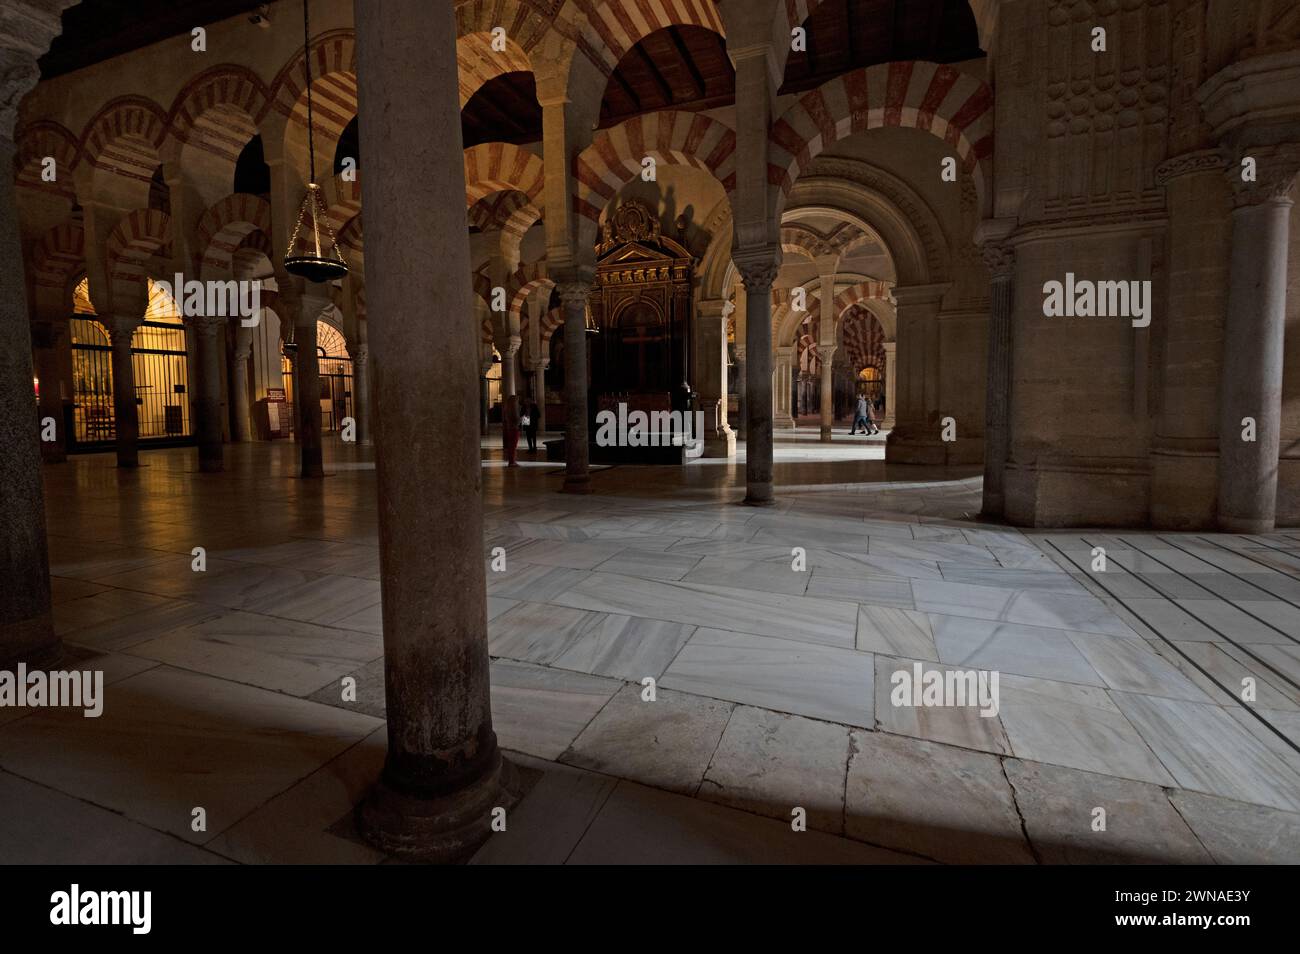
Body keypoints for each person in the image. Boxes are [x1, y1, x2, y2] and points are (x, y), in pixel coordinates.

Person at [502, 395, 521, 467]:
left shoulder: (507, 409)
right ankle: (512, 462)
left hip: (509, 429)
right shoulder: (514, 410)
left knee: (511, 446)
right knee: (513, 446)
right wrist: (521, 419)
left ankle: (512, 461)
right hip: (514, 429)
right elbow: (516, 420)